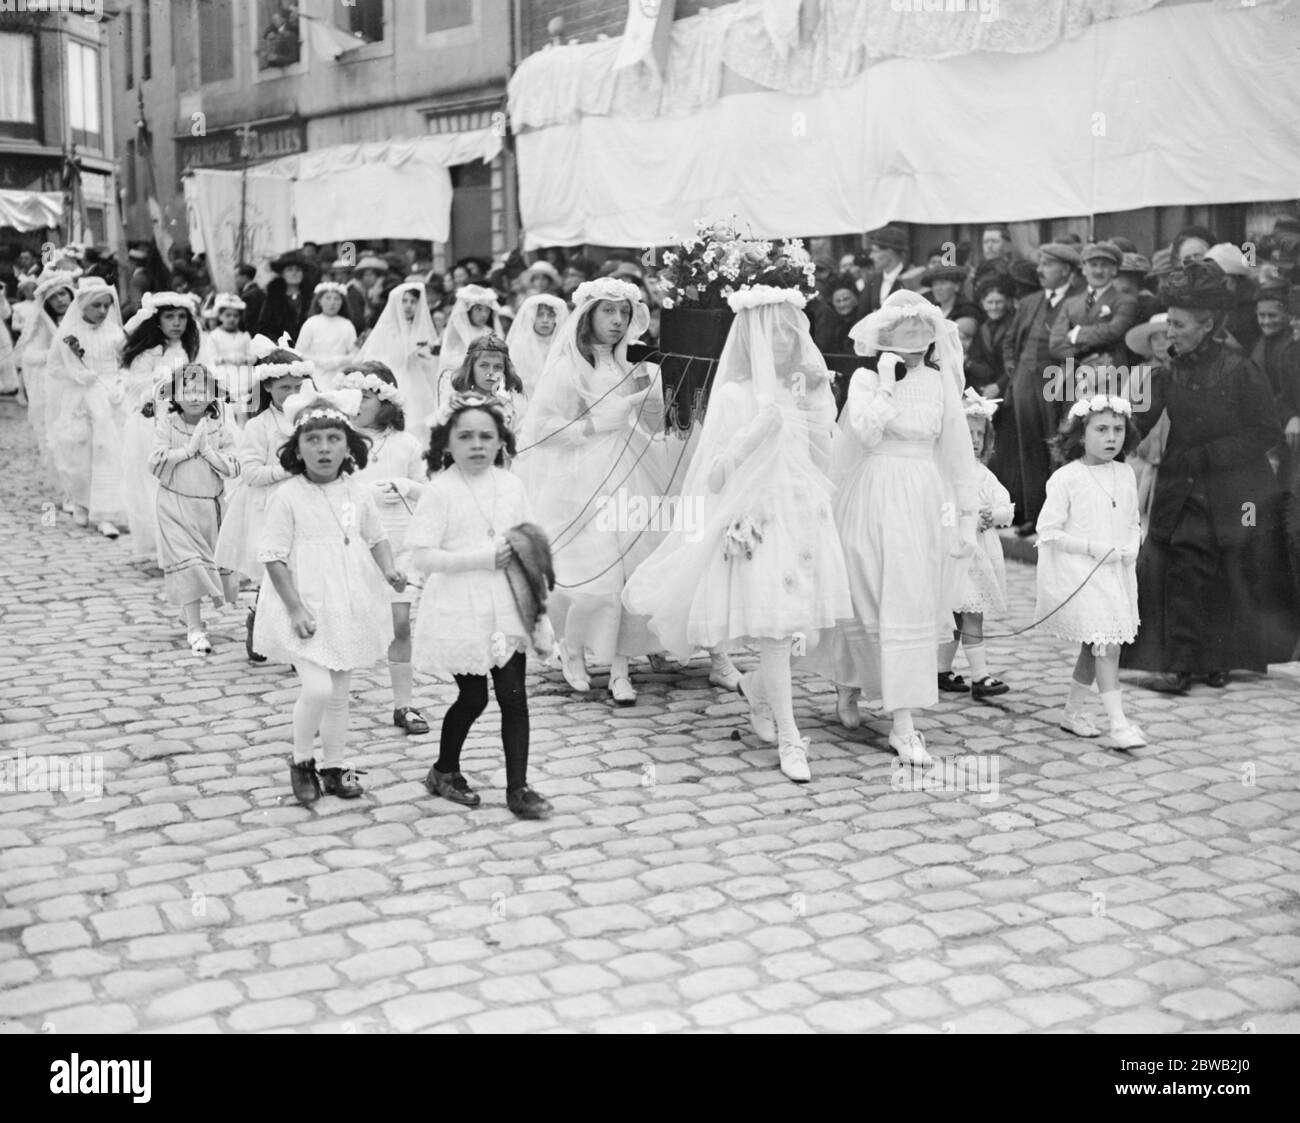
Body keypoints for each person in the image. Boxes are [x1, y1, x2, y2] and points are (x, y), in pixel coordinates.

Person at [624, 286, 853, 782]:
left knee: (802, 630)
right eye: (775, 333)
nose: (786, 341)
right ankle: (791, 737)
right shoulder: (733, 395)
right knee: (775, 631)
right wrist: (758, 430)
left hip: (801, 515)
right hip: (756, 521)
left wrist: (817, 406)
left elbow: (821, 457)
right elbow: (715, 475)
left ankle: (755, 689)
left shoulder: (799, 390)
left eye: (791, 332)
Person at [808, 290, 979, 765]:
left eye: (922, 340)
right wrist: (886, 384)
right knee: (865, 594)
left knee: (908, 600)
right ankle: (849, 683)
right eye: (902, 341)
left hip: (921, 496)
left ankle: (904, 724)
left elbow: (958, 452)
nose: (914, 349)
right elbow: (860, 434)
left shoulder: (941, 383)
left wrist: (965, 516)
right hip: (873, 491)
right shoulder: (867, 379)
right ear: (884, 342)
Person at [1122, 260, 1299, 691]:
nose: (1172, 332)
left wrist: (1208, 455)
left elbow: (1266, 433)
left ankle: (1212, 662)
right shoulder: (1170, 369)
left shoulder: (1241, 370)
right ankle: (1182, 666)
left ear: (1207, 325)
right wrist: (1105, 434)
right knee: (1182, 563)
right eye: (1171, 324)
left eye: (1180, 325)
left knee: (1224, 571)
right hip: (1182, 486)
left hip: (1236, 490)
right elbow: (1142, 420)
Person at [517, 277, 669, 705]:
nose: (618, 321)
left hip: (630, 468)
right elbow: (544, 429)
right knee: (590, 571)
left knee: (631, 566)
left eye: (624, 313)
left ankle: (621, 665)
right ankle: (573, 650)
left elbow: (652, 425)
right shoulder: (567, 367)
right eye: (608, 312)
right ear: (587, 316)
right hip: (581, 475)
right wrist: (603, 421)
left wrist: (652, 402)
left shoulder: (630, 367)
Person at [254, 387, 406, 805]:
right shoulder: (287, 496)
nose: (324, 449)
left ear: (348, 445)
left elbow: (376, 537)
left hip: (347, 601)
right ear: (297, 449)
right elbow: (273, 557)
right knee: (317, 689)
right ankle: (302, 759)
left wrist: (389, 568)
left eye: (333, 439)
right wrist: (296, 608)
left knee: (339, 692)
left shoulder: (357, 492)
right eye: (313, 441)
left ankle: (335, 766)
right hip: (302, 606)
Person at [408, 392, 553, 820]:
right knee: (473, 698)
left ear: (500, 441)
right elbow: (422, 557)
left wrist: (537, 609)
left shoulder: (511, 486)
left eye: (486, 436)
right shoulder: (441, 492)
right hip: (460, 607)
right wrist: (480, 559)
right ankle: (444, 769)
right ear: (446, 442)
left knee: (514, 697)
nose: (476, 445)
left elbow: (527, 541)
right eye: (465, 436)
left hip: (505, 605)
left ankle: (518, 788)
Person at [1036, 395, 1144, 748]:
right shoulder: (1067, 478)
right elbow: (1048, 531)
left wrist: (1132, 545)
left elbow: (1132, 520)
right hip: (1084, 573)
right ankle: (1119, 724)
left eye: (1118, 429)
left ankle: (1072, 712)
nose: (1111, 437)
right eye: (1101, 430)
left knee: (1094, 646)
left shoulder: (1125, 473)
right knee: (1107, 646)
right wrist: (1094, 548)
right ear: (1081, 435)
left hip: (1116, 573)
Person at [343, 361, 432, 735]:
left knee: (400, 624)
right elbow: (334, 490)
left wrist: (406, 487)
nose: (357, 404)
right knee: (349, 623)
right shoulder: (343, 439)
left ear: (385, 401)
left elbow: (427, 491)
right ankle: (333, 701)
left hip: (400, 541)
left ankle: (404, 704)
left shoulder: (407, 443)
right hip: (358, 542)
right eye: (353, 397)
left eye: (364, 397)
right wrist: (365, 494)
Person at [215, 342, 315, 661]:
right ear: (268, 386)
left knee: (304, 571)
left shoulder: (310, 418)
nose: (292, 394)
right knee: (274, 570)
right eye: (284, 387)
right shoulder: (259, 426)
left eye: (297, 387)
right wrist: (288, 469)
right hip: (269, 506)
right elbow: (250, 472)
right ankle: (258, 619)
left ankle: (299, 640)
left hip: (307, 505)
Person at [148, 363, 241, 655]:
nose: (195, 397)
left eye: (202, 390)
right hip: (174, 503)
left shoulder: (219, 426)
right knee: (189, 565)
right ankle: (195, 628)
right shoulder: (169, 424)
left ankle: (190, 612)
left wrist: (209, 454)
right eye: (188, 390)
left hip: (209, 506)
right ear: (175, 395)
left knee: (208, 564)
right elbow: (154, 460)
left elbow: (236, 464)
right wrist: (186, 452)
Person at [1002, 243, 1085, 536]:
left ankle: (1061, 518)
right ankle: (1035, 515)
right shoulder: (1030, 302)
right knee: (1029, 449)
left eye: (1047, 265)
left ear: (1065, 270)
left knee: (1059, 448)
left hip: (1058, 379)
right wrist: (1016, 375)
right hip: (1026, 380)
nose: (1040, 270)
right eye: (1040, 263)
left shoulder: (1080, 301)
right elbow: (1011, 342)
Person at [938, 389, 1015, 702]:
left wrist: (991, 515)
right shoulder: (946, 475)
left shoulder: (985, 476)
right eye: (966, 432)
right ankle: (979, 676)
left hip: (978, 561)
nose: (973, 439)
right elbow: (940, 512)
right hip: (956, 555)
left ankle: (942, 671)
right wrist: (961, 519)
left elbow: (1007, 508)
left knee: (965, 614)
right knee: (962, 615)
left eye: (979, 434)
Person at [121, 293, 204, 566]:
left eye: (181, 317)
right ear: (157, 321)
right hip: (154, 425)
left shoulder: (191, 350)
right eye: (169, 317)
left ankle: (190, 545)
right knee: (157, 486)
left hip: (189, 422)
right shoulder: (149, 353)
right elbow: (134, 388)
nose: (176, 323)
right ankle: (164, 548)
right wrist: (160, 383)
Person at [44, 278, 127, 538]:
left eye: (106, 306)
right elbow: (54, 367)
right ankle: (81, 500)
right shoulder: (68, 335)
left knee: (111, 455)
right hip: (82, 399)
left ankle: (106, 512)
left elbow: (125, 362)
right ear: (82, 307)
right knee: (80, 457)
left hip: (111, 398)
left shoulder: (115, 333)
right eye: (96, 306)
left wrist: (121, 383)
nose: (102, 312)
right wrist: (77, 376)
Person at [14, 271, 77, 480]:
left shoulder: (83, 317)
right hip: (57, 386)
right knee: (62, 436)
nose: (59, 300)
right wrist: (55, 354)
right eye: (53, 297)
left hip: (82, 383)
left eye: (62, 294)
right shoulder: (43, 323)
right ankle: (68, 485)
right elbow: (29, 355)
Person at [357, 282, 439, 440]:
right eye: (404, 301)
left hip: (416, 378)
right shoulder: (386, 329)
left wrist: (425, 354)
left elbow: (428, 358)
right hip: (394, 378)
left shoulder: (419, 329)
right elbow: (376, 358)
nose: (408, 306)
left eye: (413, 302)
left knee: (419, 417)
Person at [1049, 242, 1140, 374]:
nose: (1098, 271)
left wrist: (1076, 333)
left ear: (1114, 270)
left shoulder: (1125, 301)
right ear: (1084, 269)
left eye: (1104, 265)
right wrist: (1081, 360)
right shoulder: (1070, 303)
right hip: (1078, 376)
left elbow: (1114, 331)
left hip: (1112, 374)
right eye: (1093, 265)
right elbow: (1055, 345)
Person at [506, 293, 569, 400]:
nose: (545, 320)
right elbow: (515, 381)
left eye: (550, 315)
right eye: (540, 315)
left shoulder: (564, 344)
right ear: (531, 317)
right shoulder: (520, 344)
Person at [439, 284, 505, 379]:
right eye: (479, 309)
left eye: (487, 310)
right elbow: (447, 359)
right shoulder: (457, 330)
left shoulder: (490, 332)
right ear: (468, 310)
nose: (484, 314)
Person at [295, 281, 358, 380]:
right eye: (328, 298)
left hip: (339, 375)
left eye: (336, 299)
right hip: (314, 373)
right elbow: (299, 351)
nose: (332, 303)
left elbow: (355, 353)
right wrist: (320, 362)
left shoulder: (347, 325)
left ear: (342, 302)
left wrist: (337, 361)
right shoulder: (311, 323)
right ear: (319, 301)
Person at [257, 251, 312, 345]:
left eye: (298, 270)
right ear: (282, 274)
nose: (294, 273)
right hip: (281, 349)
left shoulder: (311, 296)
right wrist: (277, 343)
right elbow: (263, 326)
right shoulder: (273, 297)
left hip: (307, 347)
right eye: (290, 269)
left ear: (303, 273)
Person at [812, 275, 861, 357]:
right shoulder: (829, 324)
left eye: (846, 299)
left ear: (855, 299)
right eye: (838, 301)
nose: (843, 304)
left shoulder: (861, 321)